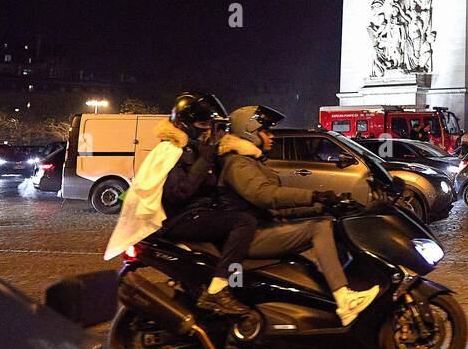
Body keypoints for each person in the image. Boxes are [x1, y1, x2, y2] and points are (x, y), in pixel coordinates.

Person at [218, 104, 379, 326]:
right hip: (251, 236)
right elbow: (267, 197)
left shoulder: (250, 162)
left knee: (327, 221)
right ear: (250, 133)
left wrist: (323, 207)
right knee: (319, 227)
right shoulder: (238, 164)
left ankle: (339, 285)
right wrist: (315, 196)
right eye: (266, 131)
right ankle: (345, 301)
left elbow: (277, 208)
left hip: (262, 226)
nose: (272, 136)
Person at [104, 91, 257, 319]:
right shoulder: (172, 150)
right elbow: (179, 193)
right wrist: (206, 158)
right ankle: (219, 290)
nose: (208, 130)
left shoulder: (196, 151)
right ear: (187, 125)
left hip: (198, 214)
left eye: (211, 125)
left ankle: (237, 285)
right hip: (180, 219)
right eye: (203, 124)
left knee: (240, 228)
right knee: (244, 223)